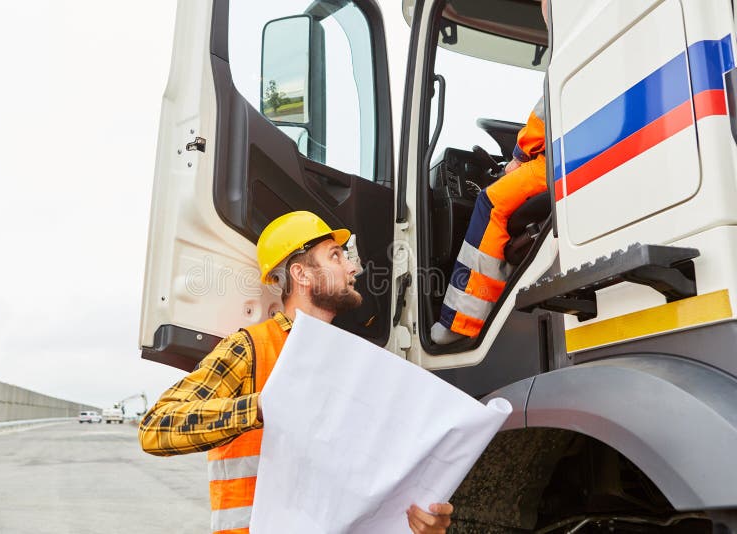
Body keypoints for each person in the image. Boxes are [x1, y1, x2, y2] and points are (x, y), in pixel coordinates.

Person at [139, 210, 453, 534]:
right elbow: (156, 428)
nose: (352, 267)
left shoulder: (354, 364)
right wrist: (261, 406)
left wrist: (414, 520)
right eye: (336, 256)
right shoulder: (250, 349)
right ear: (301, 274)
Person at [431, 0, 549, 344]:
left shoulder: (572, 41)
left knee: (491, 201)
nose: (544, 8)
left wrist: (518, 156)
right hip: (579, 153)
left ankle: (460, 320)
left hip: (561, 163)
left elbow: (545, 113)